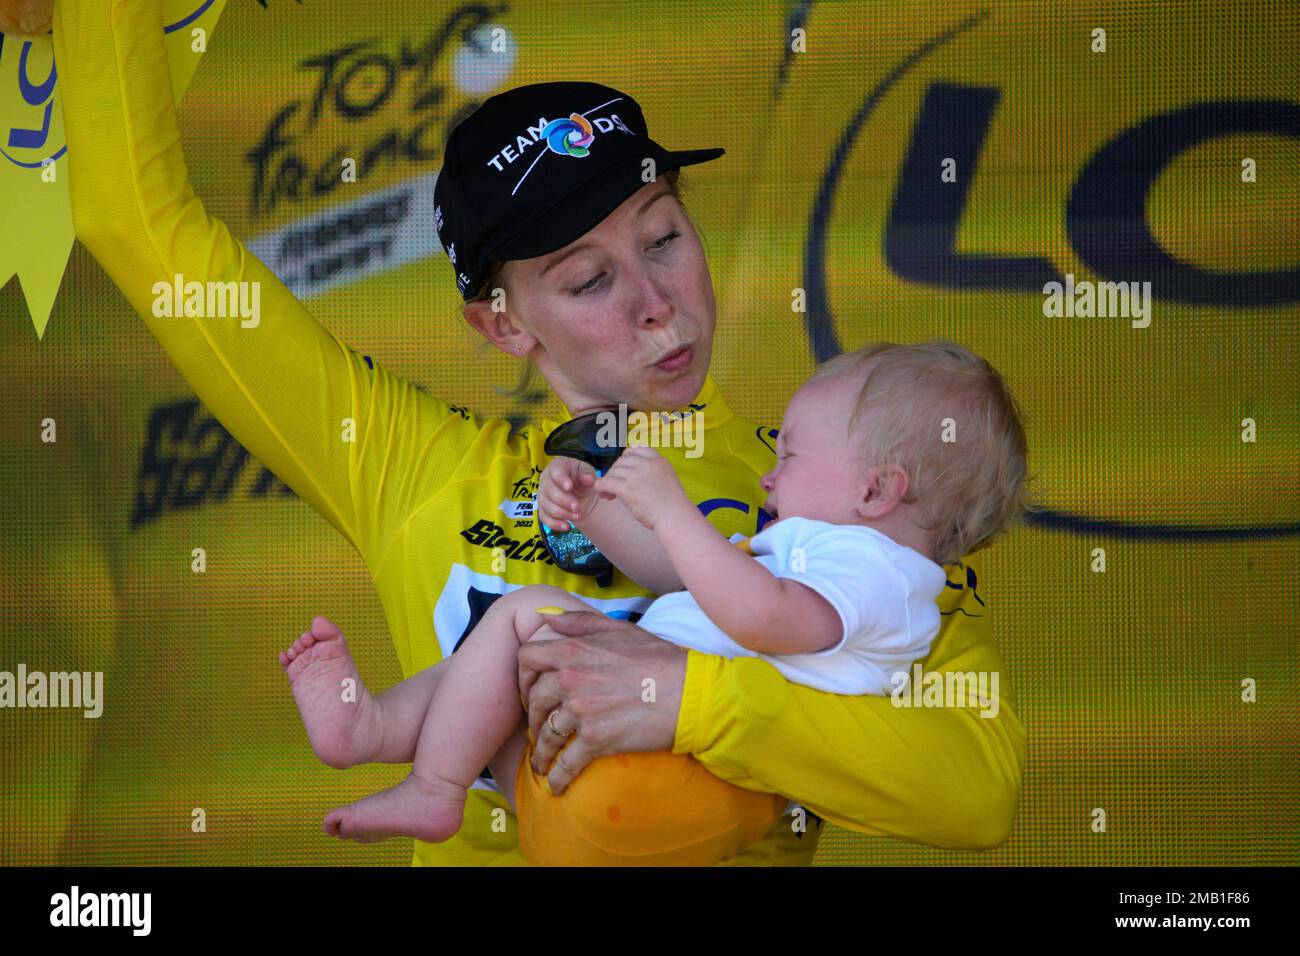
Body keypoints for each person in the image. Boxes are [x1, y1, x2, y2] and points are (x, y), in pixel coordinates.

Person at [55, 0, 1026, 866]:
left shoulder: (840, 492)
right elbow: (133, 222)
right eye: (588, 278)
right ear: (503, 324)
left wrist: (692, 697)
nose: (656, 303)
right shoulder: (412, 469)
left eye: (662, 237)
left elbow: (975, 788)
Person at [280, 340, 1026, 866]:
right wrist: (594, 511)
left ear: (875, 490)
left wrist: (676, 512)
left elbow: (763, 618)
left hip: (661, 781)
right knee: (525, 626)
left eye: (790, 456)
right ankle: (381, 737)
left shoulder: (879, 574)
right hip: (612, 768)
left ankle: (427, 775)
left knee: (524, 615)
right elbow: (683, 578)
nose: (770, 477)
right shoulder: (815, 557)